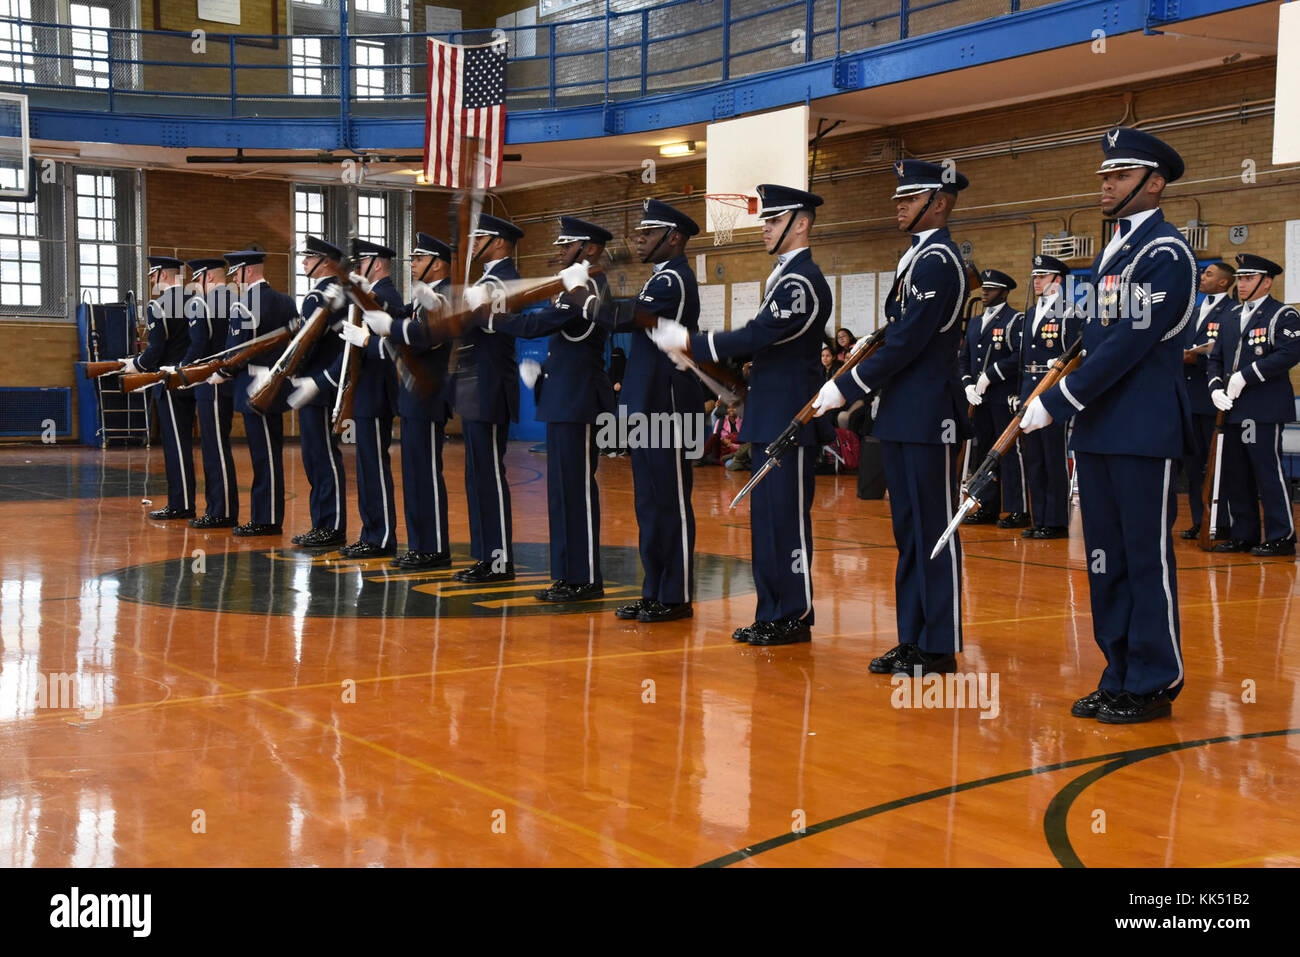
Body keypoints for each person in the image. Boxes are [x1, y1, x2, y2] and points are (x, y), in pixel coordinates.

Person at [1025, 127, 1197, 723]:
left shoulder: (1167, 253)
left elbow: (1129, 342)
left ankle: (1154, 678)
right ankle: (1118, 671)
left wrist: (1062, 398)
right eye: (1104, 174)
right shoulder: (1113, 253)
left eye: (1119, 175)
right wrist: (1051, 381)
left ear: (1154, 183)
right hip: (1099, 425)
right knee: (1104, 557)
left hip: (1142, 427)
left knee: (1143, 557)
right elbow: (1089, 336)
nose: (1105, 182)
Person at [652, 184, 830, 644]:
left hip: (792, 419)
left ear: (801, 223)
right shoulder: (783, 278)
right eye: (766, 220)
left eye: (774, 220)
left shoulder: (802, 280)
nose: (765, 227)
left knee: (786, 523)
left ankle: (794, 613)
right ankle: (773, 610)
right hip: (771, 416)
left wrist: (692, 342)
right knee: (768, 523)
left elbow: (760, 333)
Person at [812, 160, 969, 672]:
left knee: (932, 530)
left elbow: (909, 341)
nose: (899, 204)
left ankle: (938, 644)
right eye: (899, 197)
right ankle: (914, 634)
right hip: (902, 411)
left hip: (928, 415)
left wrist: (846, 385)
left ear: (939, 202)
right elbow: (896, 331)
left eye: (911, 197)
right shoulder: (916, 258)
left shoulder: (940, 260)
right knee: (908, 531)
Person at [493, 216, 616, 601]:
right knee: (561, 494)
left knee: (576, 491)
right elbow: (564, 342)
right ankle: (567, 574)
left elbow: (536, 326)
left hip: (579, 402)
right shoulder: (571, 289)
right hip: (563, 399)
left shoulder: (585, 288)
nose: (560, 251)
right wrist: (544, 370)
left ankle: (586, 577)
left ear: (590, 249)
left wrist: (492, 316)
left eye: (568, 245)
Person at [612, 199, 704, 623]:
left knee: (670, 502)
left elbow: (626, 315)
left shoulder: (674, 279)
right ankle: (655, 589)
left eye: (649, 233)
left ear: (674, 238)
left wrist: (581, 292)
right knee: (648, 503)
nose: (640, 239)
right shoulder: (659, 278)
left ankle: (677, 594)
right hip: (646, 404)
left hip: (667, 404)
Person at [354, 232, 456, 569]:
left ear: (437, 263)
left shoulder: (442, 297)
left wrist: (375, 336)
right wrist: (371, 300)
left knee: (425, 475)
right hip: (413, 398)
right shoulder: (424, 297)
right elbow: (400, 318)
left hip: (428, 396)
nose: (411, 264)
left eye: (418, 259)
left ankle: (434, 547)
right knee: (414, 476)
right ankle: (420, 545)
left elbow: (422, 340)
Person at [315, 239, 403, 559]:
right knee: (365, 469)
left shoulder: (386, 294)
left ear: (376, 264)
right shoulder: (369, 295)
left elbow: (392, 316)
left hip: (375, 395)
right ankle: (371, 532)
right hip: (363, 395)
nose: (355, 267)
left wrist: (368, 296)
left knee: (374, 468)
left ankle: (380, 538)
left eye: (361, 261)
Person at [1207, 253, 1300, 556]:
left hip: (1262, 408)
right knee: (1236, 472)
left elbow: (1289, 352)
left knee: (1266, 471)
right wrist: (1215, 387)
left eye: (1248, 278)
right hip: (1232, 408)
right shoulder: (1231, 315)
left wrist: (1247, 375)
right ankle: (1243, 533)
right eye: (1241, 278)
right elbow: (1216, 358)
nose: (1242, 284)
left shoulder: (1281, 314)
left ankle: (1281, 536)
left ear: (1266, 281)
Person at [452, 213, 524, 583]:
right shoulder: (485, 280)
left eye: (479, 236)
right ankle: (484, 555)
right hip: (474, 387)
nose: (473, 241)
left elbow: (501, 317)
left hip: (490, 385)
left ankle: (498, 560)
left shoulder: (506, 278)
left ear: (498, 242)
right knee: (476, 476)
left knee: (490, 476)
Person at [214, 250, 297, 536]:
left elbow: (238, 349)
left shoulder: (244, 304)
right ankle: (269, 516)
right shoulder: (286, 301)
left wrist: (223, 372)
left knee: (263, 456)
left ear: (248, 272)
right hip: (275, 384)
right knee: (271, 452)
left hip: (253, 387)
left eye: (236, 273)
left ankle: (266, 519)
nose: (235, 279)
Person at [118, 256, 195, 520]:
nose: (151, 279)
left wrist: (134, 365)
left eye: (153, 275)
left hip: (170, 381)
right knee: (194, 444)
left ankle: (181, 504)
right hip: (195, 378)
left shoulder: (159, 305)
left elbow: (156, 349)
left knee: (176, 445)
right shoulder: (197, 301)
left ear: (163, 275)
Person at [284, 236, 349, 549]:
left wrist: (292, 370)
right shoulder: (332, 292)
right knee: (316, 457)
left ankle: (331, 525)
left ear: (325, 261)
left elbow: (306, 342)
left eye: (309, 258)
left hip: (318, 386)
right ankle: (323, 522)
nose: (304, 262)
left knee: (321, 457)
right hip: (318, 384)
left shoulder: (320, 295)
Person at [1017, 253, 1082, 539]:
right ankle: (1039, 516)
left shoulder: (1071, 312)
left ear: (1057, 279)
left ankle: (1056, 521)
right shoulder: (1030, 313)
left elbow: (1074, 359)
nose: (1037, 281)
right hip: (1030, 390)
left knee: (1053, 456)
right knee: (1034, 457)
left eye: (1042, 276)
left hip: (1053, 390)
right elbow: (1023, 357)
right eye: (1035, 276)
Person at [958, 267, 1029, 527]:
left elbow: (1019, 355)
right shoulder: (976, 321)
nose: (985, 292)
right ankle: (986, 505)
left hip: (1002, 397)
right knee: (983, 454)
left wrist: (990, 375)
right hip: (979, 399)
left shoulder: (1014, 320)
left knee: (1009, 453)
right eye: (984, 288)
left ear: (1004, 292)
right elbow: (964, 358)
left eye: (991, 289)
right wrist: (967, 384)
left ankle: (1017, 509)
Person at [1179, 260, 1235, 540]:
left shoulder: (1233, 311)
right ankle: (1200, 520)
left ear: (1224, 282)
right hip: (1189, 398)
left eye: (1209, 274)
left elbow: (1229, 348)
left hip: (1213, 397)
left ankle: (1222, 521)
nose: (1203, 276)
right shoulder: (1195, 311)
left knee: (1218, 464)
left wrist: (1198, 354)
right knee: (1193, 464)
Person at [184, 258, 239, 529]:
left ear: (207, 278)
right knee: (218, 446)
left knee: (214, 447)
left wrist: (181, 372)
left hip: (210, 382)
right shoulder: (234, 302)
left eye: (197, 278)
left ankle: (221, 511)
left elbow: (198, 346)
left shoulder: (202, 304)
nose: (194, 284)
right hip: (226, 381)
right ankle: (220, 508)